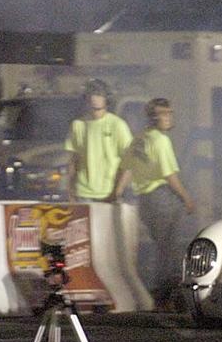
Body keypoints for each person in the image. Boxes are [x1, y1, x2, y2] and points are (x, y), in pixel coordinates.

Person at [111, 97, 195, 309]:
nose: (168, 118)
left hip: (145, 202)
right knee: (171, 249)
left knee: (162, 248)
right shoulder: (160, 140)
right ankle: (166, 296)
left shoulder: (139, 139)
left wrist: (115, 194)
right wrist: (187, 199)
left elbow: (126, 169)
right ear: (153, 117)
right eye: (163, 114)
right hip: (162, 199)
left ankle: (161, 294)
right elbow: (170, 176)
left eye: (169, 113)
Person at [64, 79, 134, 202]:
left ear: (107, 98)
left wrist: (117, 191)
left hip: (109, 193)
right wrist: (70, 191)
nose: (95, 99)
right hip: (83, 194)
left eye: (100, 95)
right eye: (92, 95)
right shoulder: (78, 125)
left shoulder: (117, 125)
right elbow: (73, 161)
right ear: (86, 99)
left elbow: (129, 162)